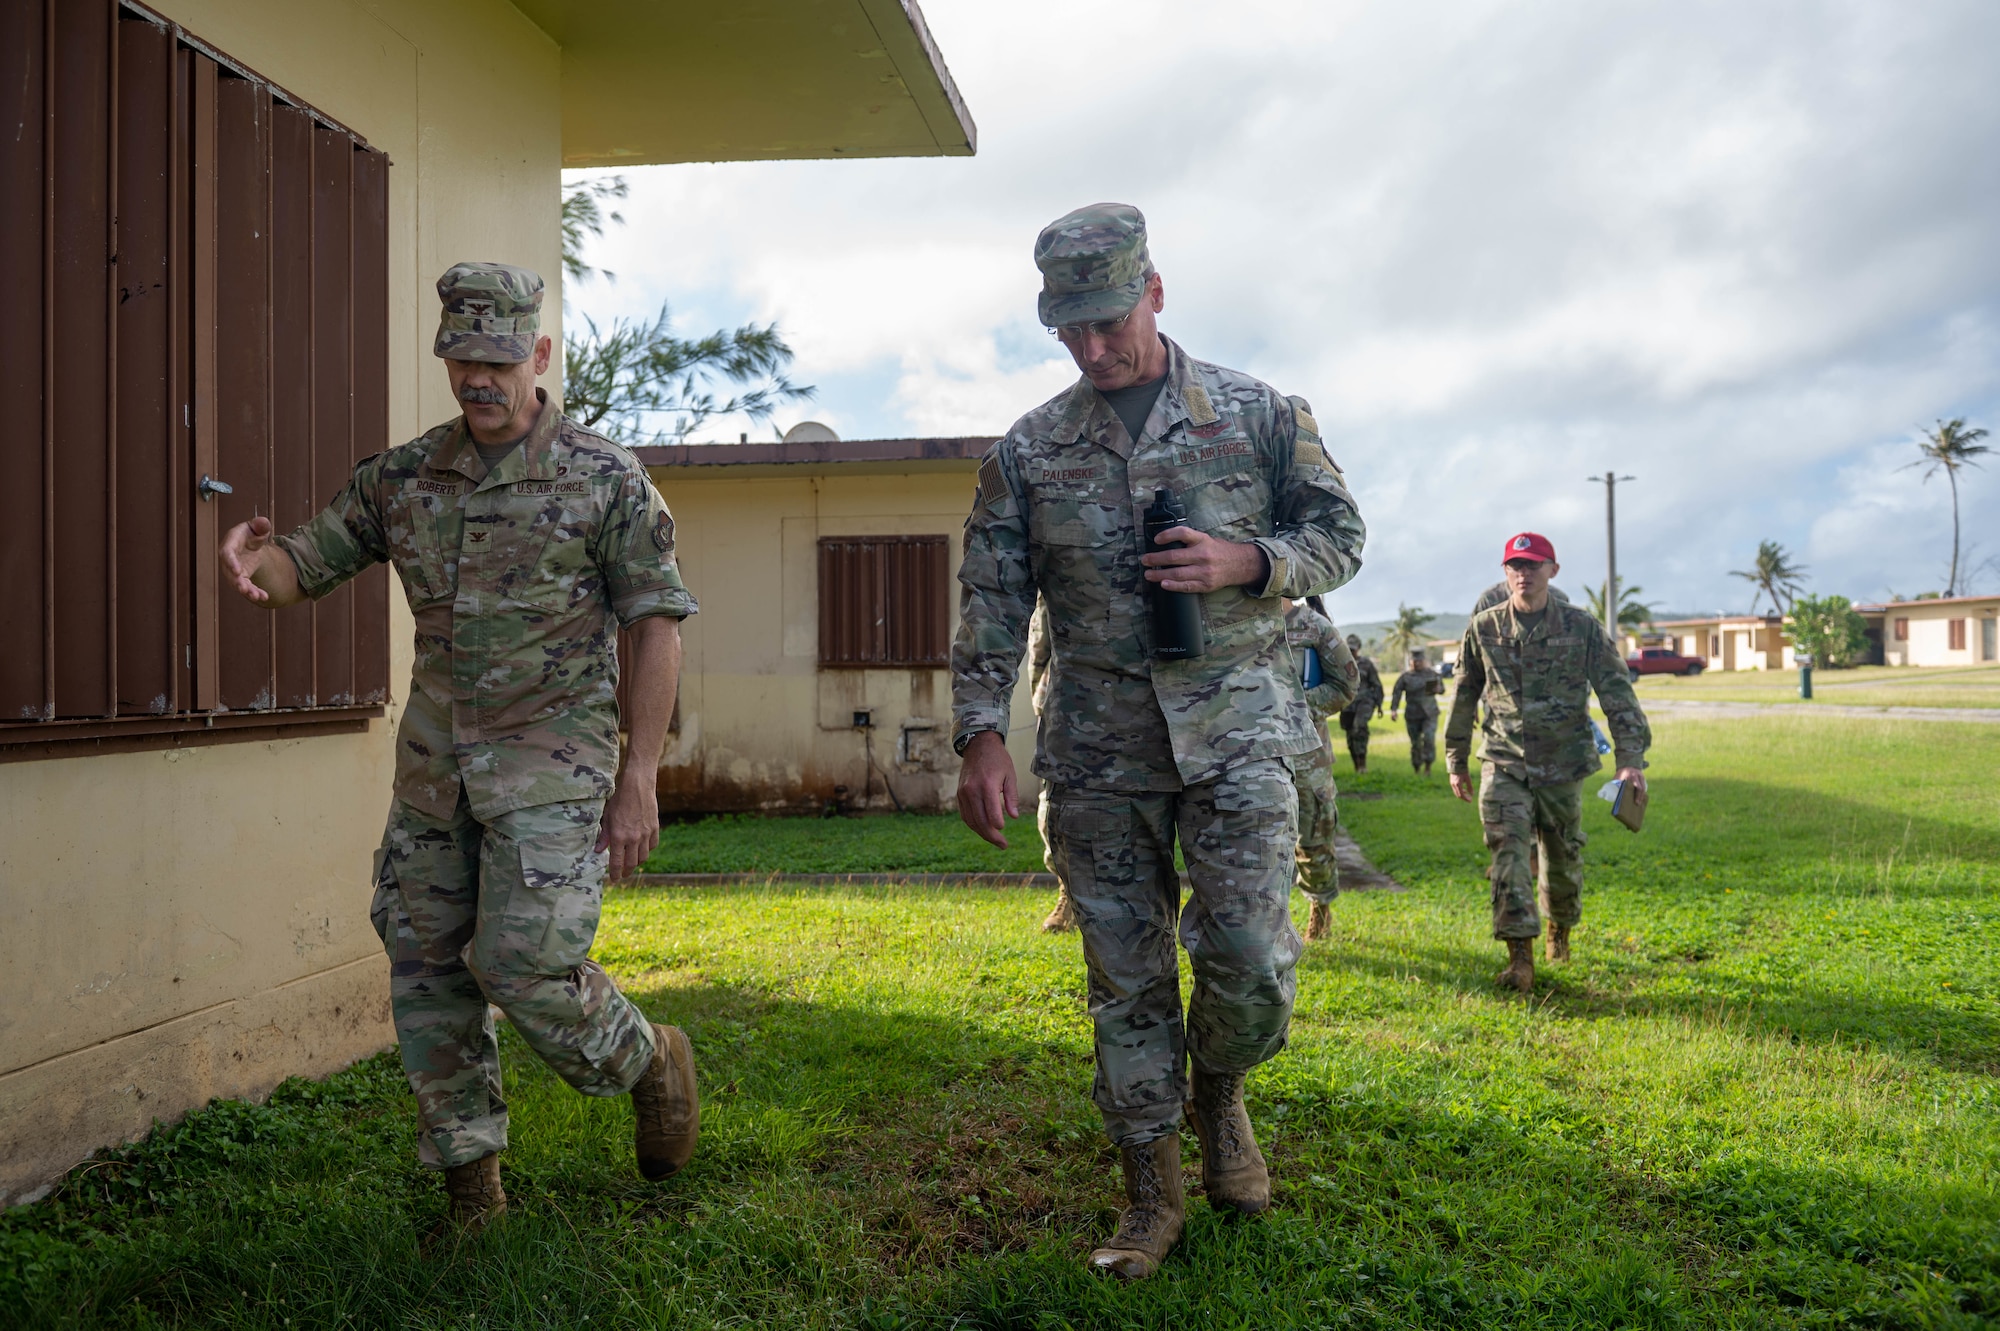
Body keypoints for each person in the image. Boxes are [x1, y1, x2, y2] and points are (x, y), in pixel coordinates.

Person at [217, 263, 702, 1232]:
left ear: (539, 353)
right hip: (437, 772)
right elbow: (306, 563)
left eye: (496, 358)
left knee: (521, 964)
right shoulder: (403, 477)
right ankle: (470, 1186)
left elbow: (655, 623)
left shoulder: (604, 478)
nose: (476, 379)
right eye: (458, 359)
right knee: (427, 966)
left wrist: (638, 775)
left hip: (551, 768)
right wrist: (252, 565)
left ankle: (647, 1057)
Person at [951, 203, 1365, 1280]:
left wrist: (1247, 561)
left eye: (1108, 321)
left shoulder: (1258, 413)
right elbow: (990, 602)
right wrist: (980, 735)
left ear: (1156, 291)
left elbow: (1341, 536)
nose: (1093, 348)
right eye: (1069, 330)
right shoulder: (1029, 449)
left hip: (1236, 735)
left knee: (1248, 960)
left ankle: (1219, 1093)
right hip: (1096, 751)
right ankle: (1148, 1188)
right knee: (1123, 976)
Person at [1444, 532, 1651, 993]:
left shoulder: (1581, 628)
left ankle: (1561, 926)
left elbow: (1617, 694)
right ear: (1505, 573)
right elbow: (1464, 695)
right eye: (1515, 565)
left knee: (1562, 859)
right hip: (1504, 761)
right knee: (1508, 854)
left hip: (1563, 764)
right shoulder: (1484, 628)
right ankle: (1520, 957)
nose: (1524, 572)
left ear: (1552, 571)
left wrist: (1629, 760)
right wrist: (1456, 757)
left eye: (1534, 564)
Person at [1285, 597, 1358, 940]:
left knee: (1314, 837)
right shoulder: (1237, 622)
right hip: (1249, 756)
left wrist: (1295, 705)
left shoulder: (1313, 625)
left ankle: (1319, 910)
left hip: (1307, 757)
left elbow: (1345, 685)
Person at [1028, 601, 1080, 933]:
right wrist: (1042, 695)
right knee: (1056, 801)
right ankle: (1069, 891)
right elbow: (1041, 635)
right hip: (1071, 697)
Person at [1389, 649, 1444, 774]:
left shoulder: (1432, 674)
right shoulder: (1405, 677)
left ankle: (1428, 767)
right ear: (1410, 662)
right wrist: (1394, 709)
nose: (1417, 663)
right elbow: (1397, 693)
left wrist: (1438, 689)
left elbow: (1442, 689)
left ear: (1424, 661)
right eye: (1414, 661)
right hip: (1412, 714)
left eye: (1419, 661)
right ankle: (1417, 767)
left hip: (1429, 713)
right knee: (1415, 743)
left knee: (1429, 739)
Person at [1339, 633, 1384, 771]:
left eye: (1353, 649)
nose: (1351, 651)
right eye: (1349, 649)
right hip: (1347, 703)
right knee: (1350, 734)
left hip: (1365, 701)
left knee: (1359, 727)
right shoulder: (1340, 663)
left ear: (1358, 648)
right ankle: (1356, 764)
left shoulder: (1366, 664)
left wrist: (1379, 705)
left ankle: (1362, 762)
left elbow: (1376, 684)